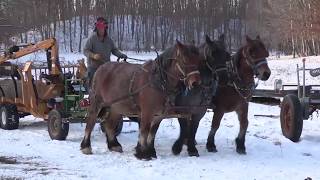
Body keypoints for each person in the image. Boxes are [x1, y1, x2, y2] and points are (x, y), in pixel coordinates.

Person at [83, 17, 127, 89]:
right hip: (94, 67)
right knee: (93, 87)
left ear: (105, 28)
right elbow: (85, 50)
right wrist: (93, 55)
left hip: (106, 66)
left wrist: (121, 55)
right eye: (99, 28)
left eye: (102, 28)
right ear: (97, 28)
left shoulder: (109, 40)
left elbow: (114, 50)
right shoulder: (92, 38)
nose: (101, 30)